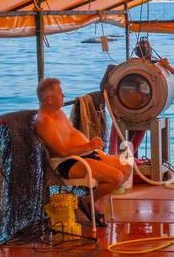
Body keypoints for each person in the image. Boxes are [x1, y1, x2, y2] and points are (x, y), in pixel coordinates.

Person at [34, 77, 130, 227]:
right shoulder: (44, 122)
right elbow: (62, 150)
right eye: (60, 94)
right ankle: (87, 201)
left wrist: (90, 145)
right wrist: (89, 145)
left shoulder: (58, 112)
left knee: (125, 168)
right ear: (50, 99)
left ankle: (95, 204)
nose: (64, 96)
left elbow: (71, 134)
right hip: (68, 162)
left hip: (84, 154)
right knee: (116, 178)